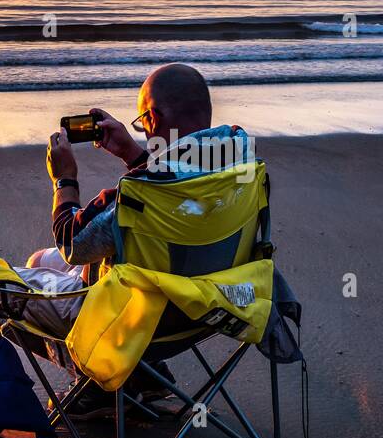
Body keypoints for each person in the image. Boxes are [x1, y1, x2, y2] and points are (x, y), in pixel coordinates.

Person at [14, 63, 254, 419]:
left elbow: (72, 243)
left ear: (154, 118)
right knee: (39, 262)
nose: (142, 129)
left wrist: (64, 180)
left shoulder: (143, 188)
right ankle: (145, 378)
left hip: (136, 322)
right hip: (205, 309)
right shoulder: (238, 165)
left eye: (142, 121)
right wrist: (132, 155)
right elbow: (176, 186)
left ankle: (103, 383)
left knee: (5, 289)